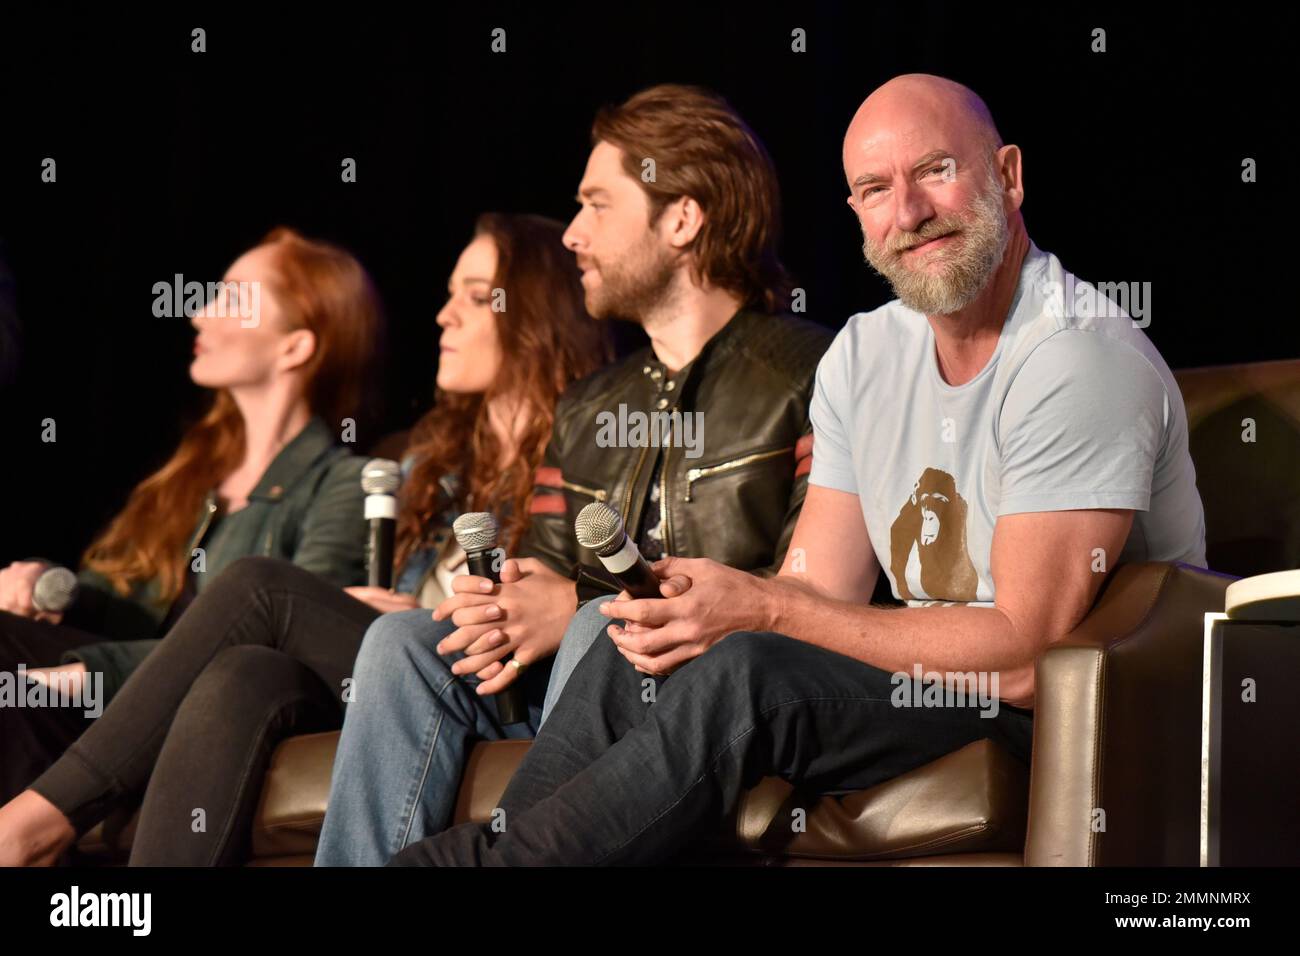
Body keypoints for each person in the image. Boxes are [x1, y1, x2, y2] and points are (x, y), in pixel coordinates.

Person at [391, 73, 1208, 866]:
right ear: (856, 212)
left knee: (749, 673)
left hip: (1053, 705)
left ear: (1009, 175)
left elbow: (1027, 653)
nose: (911, 212)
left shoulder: (1075, 355)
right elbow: (821, 589)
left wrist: (764, 613)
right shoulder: (864, 353)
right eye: (876, 189)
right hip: (927, 680)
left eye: (935, 171)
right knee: (626, 641)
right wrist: (714, 605)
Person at [315, 84, 833, 866]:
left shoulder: (810, 370)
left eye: (597, 206)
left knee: (601, 624)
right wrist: (507, 609)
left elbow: (808, 592)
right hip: (574, 692)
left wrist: (579, 603)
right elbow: (551, 573)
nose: (573, 236)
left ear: (683, 219)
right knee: (403, 641)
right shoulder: (591, 402)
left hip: (706, 688)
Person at [0, 212, 611, 866]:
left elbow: (570, 610)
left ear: (537, 312)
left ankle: (30, 826)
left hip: (489, 674)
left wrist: (88, 672)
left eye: (474, 294)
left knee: (260, 589)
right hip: (394, 659)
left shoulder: (587, 447)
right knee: (243, 668)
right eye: (448, 292)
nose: (444, 315)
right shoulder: (419, 459)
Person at [0, 227, 382, 808]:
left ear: (295, 346)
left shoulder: (342, 484)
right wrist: (47, 589)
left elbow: (279, 641)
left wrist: (83, 674)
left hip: (187, 723)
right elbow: (116, 600)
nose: (198, 314)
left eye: (231, 299)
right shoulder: (186, 477)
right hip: (109, 700)